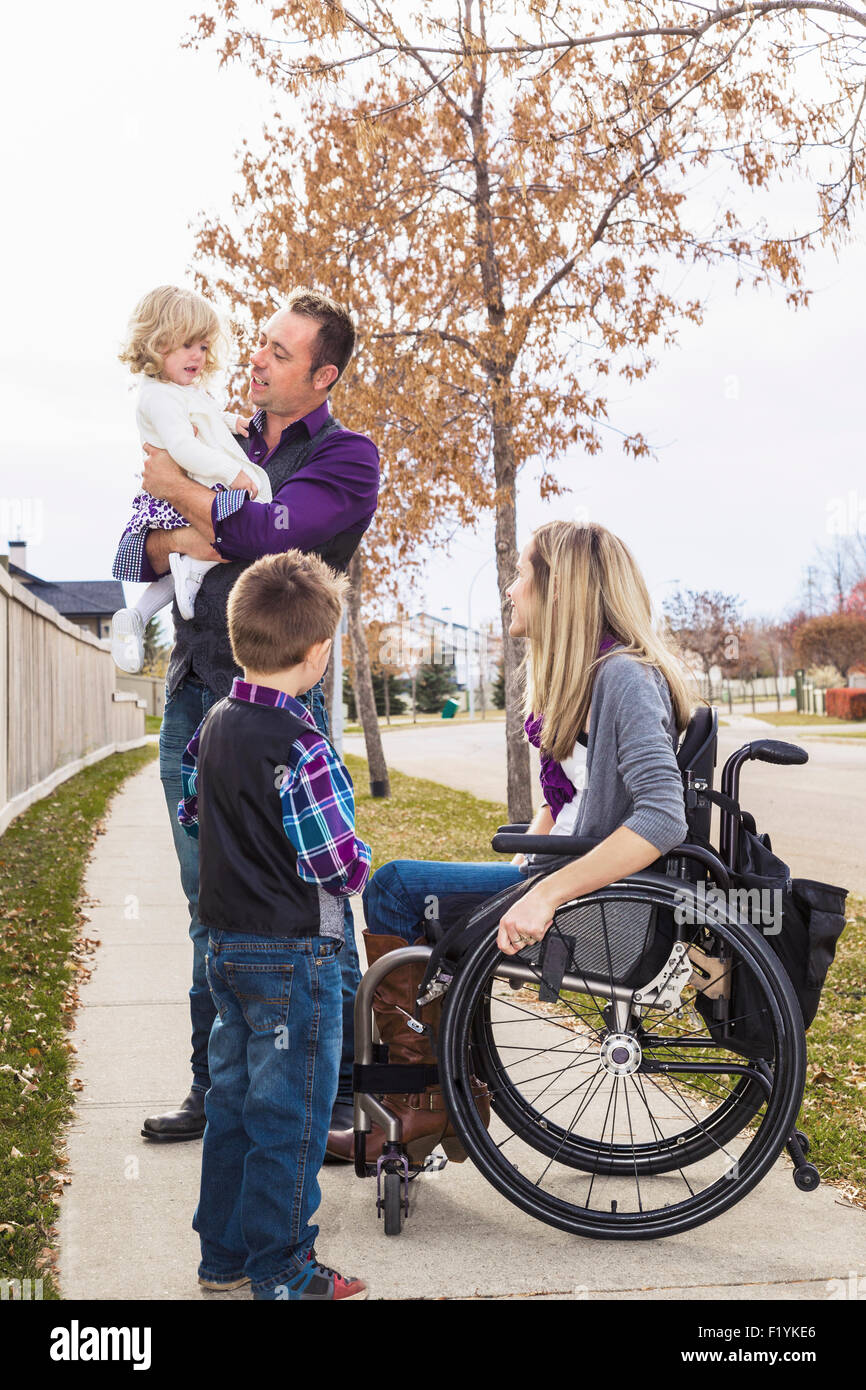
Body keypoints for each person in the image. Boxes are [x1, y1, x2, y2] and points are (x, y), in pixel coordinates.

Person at [328, 519, 691, 1161]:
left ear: (563, 591)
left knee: (393, 886)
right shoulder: (593, 677)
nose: (511, 588)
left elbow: (663, 818)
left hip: (607, 915)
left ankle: (422, 1104)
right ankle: (439, 1093)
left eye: (523, 574)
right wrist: (536, 853)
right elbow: (574, 800)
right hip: (581, 889)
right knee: (416, 896)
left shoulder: (625, 678)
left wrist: (544, 893)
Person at [112, 287, 379, 1144]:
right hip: (193, 695)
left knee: (314, 903)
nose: (255, 358)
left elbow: (272, 537)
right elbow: (131, 547)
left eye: (279, 351)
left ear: (322, 374)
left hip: (280, 712)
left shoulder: (347, 459)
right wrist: (199, 520)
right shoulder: (208, 434)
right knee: (209, 902)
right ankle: (216, 1091)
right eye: (258, 343)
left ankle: (333, 1103)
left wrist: (183, 499)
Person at [179, 549, 370, 1300]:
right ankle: (285, 1269)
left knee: (231, 1105)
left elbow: (196, 812)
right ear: (319, 653)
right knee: (289, 1118)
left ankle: (221, 1259)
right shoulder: (304, 747)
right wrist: (359, 858)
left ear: (237, 640)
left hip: (226, 950)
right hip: (297, 959)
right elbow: (333, 865)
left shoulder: (215, 725)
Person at [111, 285, 271, 672]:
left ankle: (140, 612)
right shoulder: (158, 397)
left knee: (203, 548)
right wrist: (232, 473)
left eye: (202, 346)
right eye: (187, 345)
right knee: (241, 521)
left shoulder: (181, 390)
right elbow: (182, 448)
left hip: (190, 486)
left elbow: (205, 416)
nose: (197, 356)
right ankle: (182, 580)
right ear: (156, 343)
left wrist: (232, 422)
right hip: (180, 491)